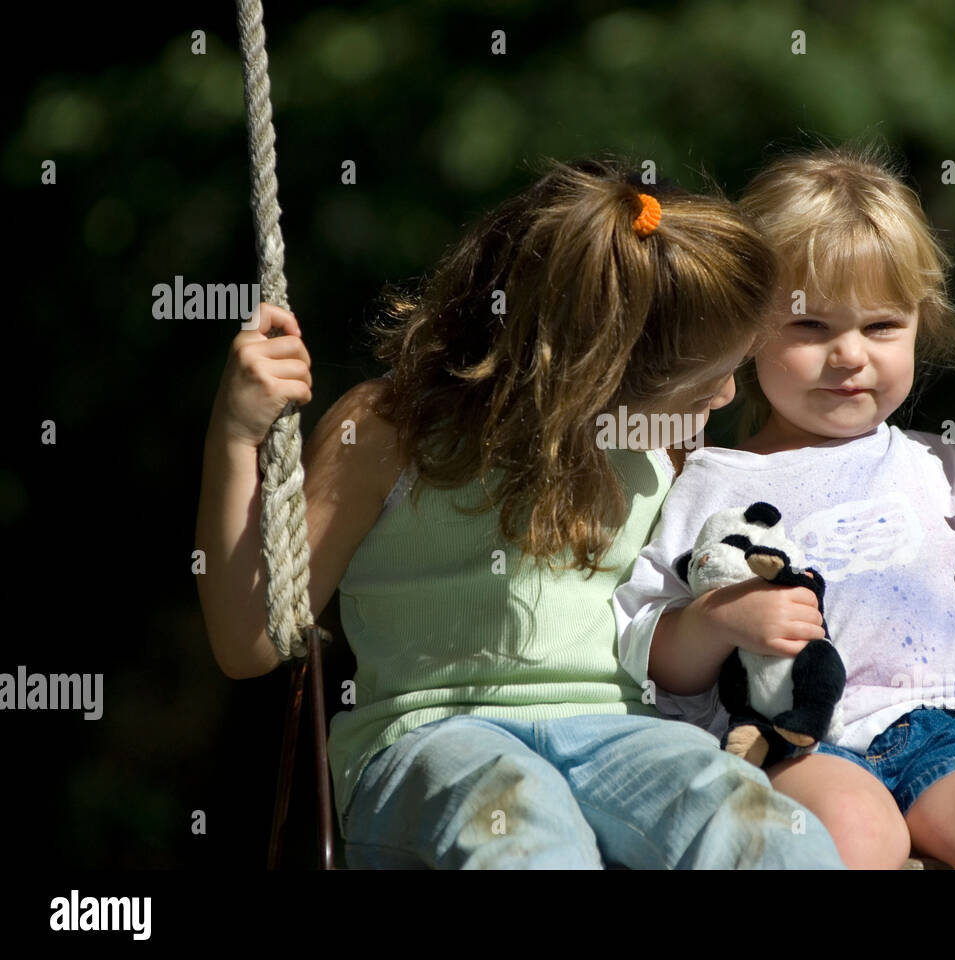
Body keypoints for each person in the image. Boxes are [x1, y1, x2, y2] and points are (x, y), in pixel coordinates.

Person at [196, 155, 848, 869]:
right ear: (600, 373)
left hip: (621, 733)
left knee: (751, 820)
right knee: (524, 827)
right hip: (433, 739)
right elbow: (250, 642)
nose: (725, 396)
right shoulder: (387, 431)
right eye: (705, 381)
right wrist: (236, 435)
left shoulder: (664, 443)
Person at [613, 143, 955, 869]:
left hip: (943, 730)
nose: (849, 356)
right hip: (793, 740)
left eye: (880, 327)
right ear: (749, 333)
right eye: (811, 327)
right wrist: (718, 620)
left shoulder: (942, 466)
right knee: (860, 829)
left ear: (918, 325)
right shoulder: (709, 481)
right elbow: (649, 652)